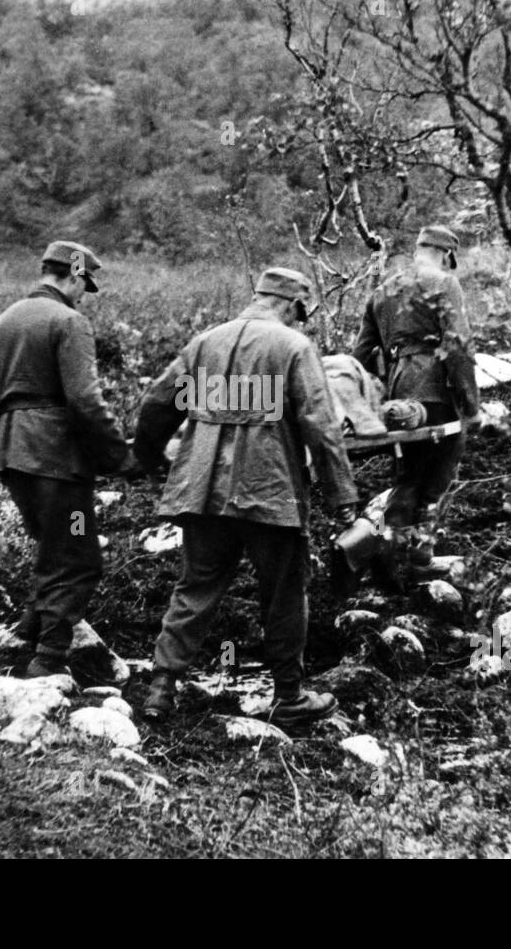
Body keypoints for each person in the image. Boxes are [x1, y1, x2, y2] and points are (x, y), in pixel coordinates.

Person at [133, 267, 361, 726]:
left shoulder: (204, 342)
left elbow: (158, 403)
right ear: (293, 306)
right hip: (268, 491)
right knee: (283, 592)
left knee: (196, 586)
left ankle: (161, 687)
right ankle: (290, 696)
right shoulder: (294, 347)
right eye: (302, 312)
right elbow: (321, 425)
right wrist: (343, 499)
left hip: (202, 489)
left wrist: (148, 457)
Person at [0, 241, 129, 678]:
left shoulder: (3, 321)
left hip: (14, 456)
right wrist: (120, 455)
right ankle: (48, 658)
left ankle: (28, 629)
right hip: (56, 459)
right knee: (79, 559)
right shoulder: (70, 322)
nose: (83, 294)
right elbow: (85, 400)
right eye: (85, 285)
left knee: (52, 544)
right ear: (75, 277)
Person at [353, 225, 480, 534]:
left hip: (398, 397)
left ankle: (387, 541)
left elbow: (359, 355)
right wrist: (471, 405)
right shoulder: (445, 283)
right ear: (447, 255)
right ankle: (398, 549)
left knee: (408, 475)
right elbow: (458, 347)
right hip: (434, 393)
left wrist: (371, 400)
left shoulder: (383, 291)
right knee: (435, 477)